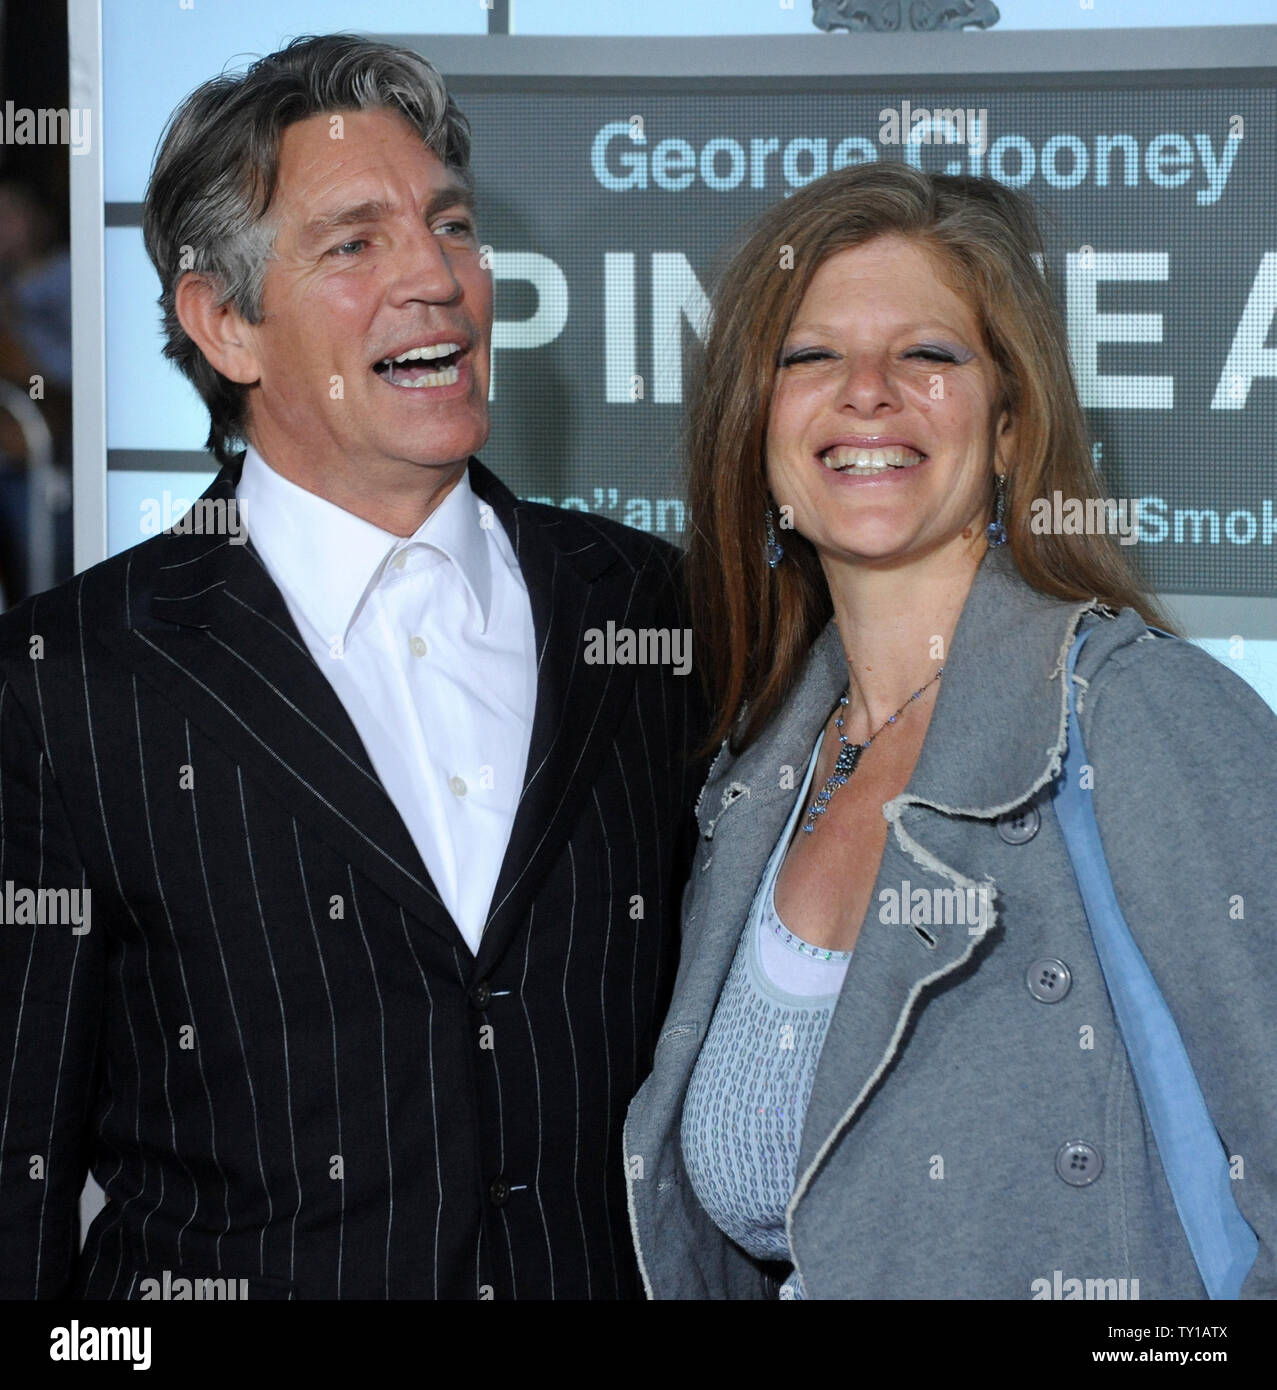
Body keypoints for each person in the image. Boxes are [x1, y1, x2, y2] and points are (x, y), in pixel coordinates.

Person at [0, 34, 704, 1300]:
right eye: (354, 242)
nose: (435, 277)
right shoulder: (68, 680)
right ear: (225, 324)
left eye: (450, 226)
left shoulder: (649, 612)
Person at [624, 161, 1277, 1299]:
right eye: (809, 355)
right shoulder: (751, 775)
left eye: (927, 355)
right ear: (756, 426)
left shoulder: (1137, 715)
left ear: (1012, 423)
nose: (865, 390)